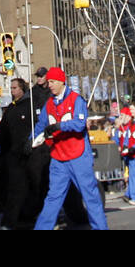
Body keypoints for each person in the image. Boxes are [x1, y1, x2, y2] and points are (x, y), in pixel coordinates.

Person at [32, 66, 107, 229]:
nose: (49, 85)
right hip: (58, 158)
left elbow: (80, 124)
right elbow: (41, 125)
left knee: (90, 196)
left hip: (78, 155)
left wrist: (59, 126)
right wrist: (30, 141)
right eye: (48, 81)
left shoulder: (76, 100)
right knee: (53, 198)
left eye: (52, 82)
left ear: (60, 81)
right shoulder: (49, 104)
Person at [0, 76, 36, 229]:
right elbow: (1, 131)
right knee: (11, 188)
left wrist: (31, 143)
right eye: (10, 88)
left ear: (22, 88)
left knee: (19, 189)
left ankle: (10, 222)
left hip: (26, 155)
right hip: (10, 154)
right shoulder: (11, 108)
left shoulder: (30, 106)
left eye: (14, 88)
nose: (12, 91)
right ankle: (17, 219)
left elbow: (37, 126)